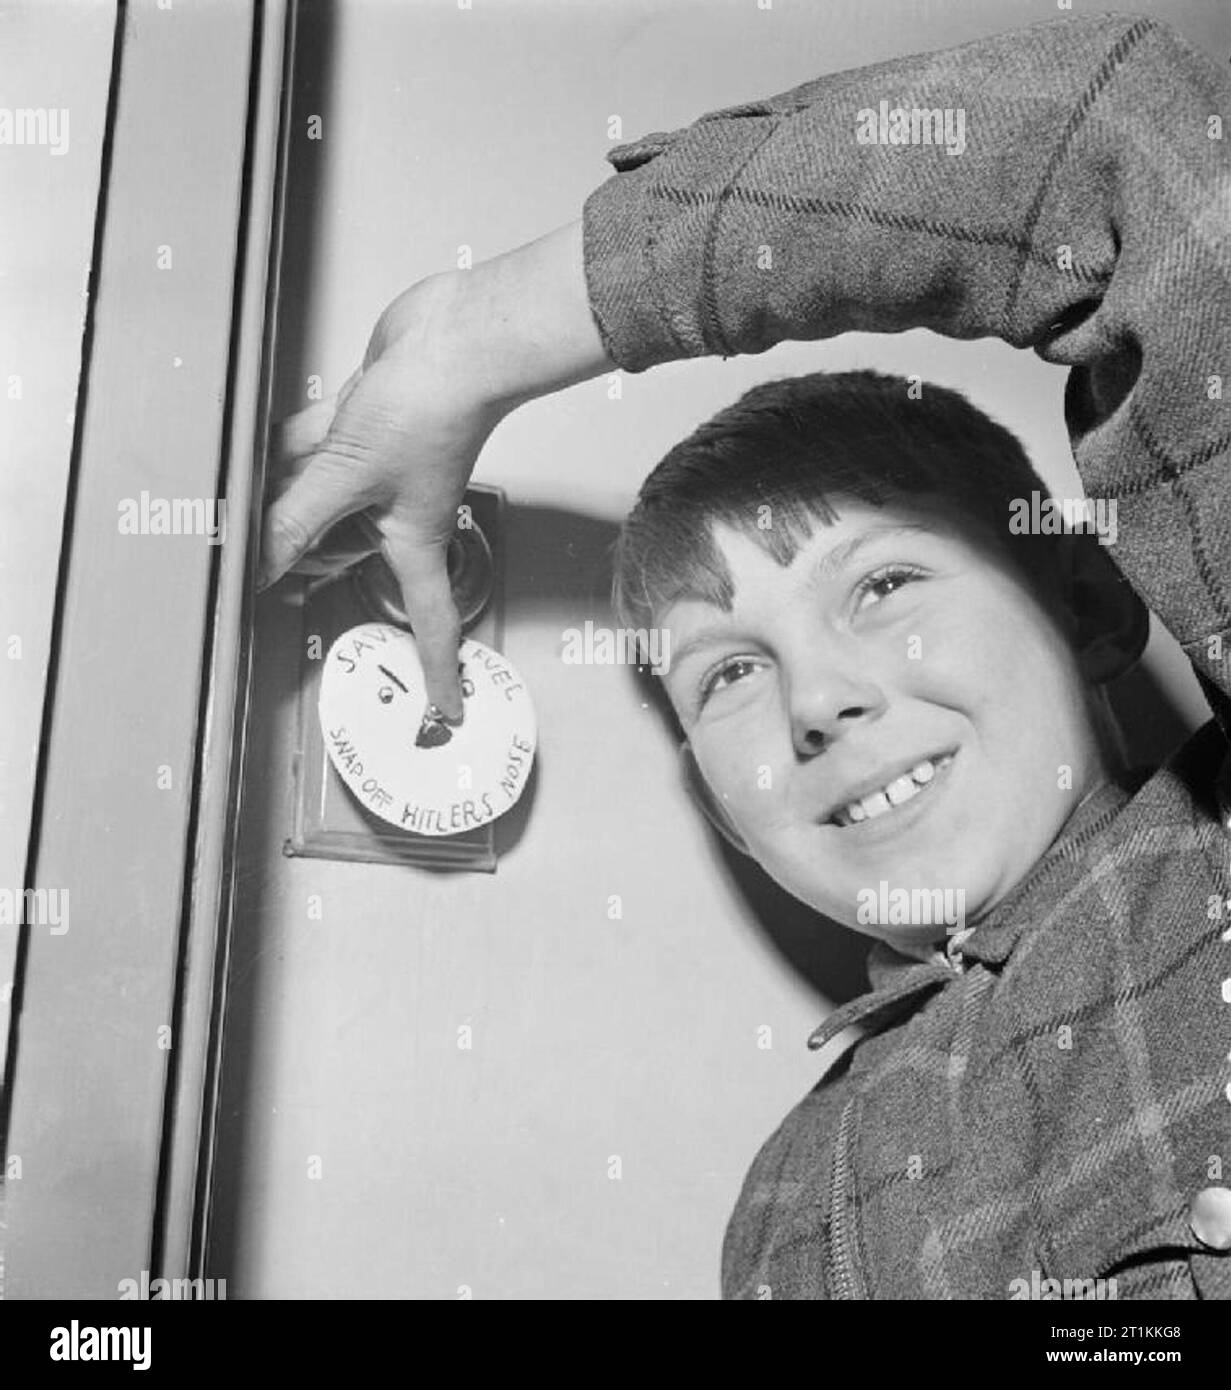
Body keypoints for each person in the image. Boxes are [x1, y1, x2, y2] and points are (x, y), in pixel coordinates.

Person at [260, 12, 1231, 1297]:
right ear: (722, 814)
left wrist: (479, 331)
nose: (816, 700)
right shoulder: (781, 1212)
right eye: (724, 672)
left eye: (881, 584)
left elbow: (1116, 141)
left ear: (1093, 607)